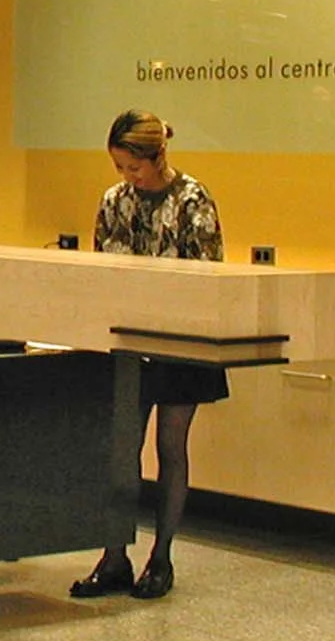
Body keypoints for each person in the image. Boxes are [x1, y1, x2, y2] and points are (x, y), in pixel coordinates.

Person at [70, 110, 226, 602]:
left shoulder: (192, 200)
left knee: (170, 446)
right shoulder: (114, 201)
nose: (127, 177)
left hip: (180, 343)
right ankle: (113, 555)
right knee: (122, 447)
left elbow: (207, 274)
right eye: (120, 168)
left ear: (157, 156)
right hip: (128, 339)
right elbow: (102, 267)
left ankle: (162, 557)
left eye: (133, 167)